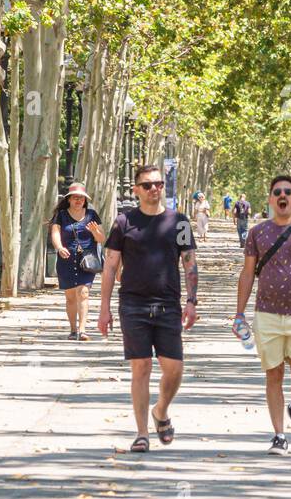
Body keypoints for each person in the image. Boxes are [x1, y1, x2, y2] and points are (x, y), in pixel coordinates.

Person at [98, 164, 198, 453]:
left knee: (174, 369)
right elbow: (110, 266)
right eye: (147, 185)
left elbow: (189, 263)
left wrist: (191, 301)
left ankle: (161, 411)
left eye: (158, 184)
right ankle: (142, 433)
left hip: (168, 304)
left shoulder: (179, 222)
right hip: (133, 304)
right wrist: (104, 308)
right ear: (136, 190)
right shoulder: (123, 223)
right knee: (140, 367)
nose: (154, 189)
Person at [235, 175, 291, 455]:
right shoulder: (257, 233)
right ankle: (278, 435)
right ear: (271, 199)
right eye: (277, 192)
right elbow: (248, 272)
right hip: (267, 315)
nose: (283, 195)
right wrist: (239, 314)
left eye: (288, 191)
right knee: (273, 374)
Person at [49, 183, 106, 340]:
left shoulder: (92, 215)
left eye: (81, 198)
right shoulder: (61, 215)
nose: (78, 200)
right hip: (66, 259)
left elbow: (102, 239)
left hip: (87, 260)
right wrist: (59, 247)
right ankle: (73, 329)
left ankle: (82, 330)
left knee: (83, 293)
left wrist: (95, 232)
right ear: (69, 200)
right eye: (75, 198)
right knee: (70, 297)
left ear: (85, 200)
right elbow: (55, 233)